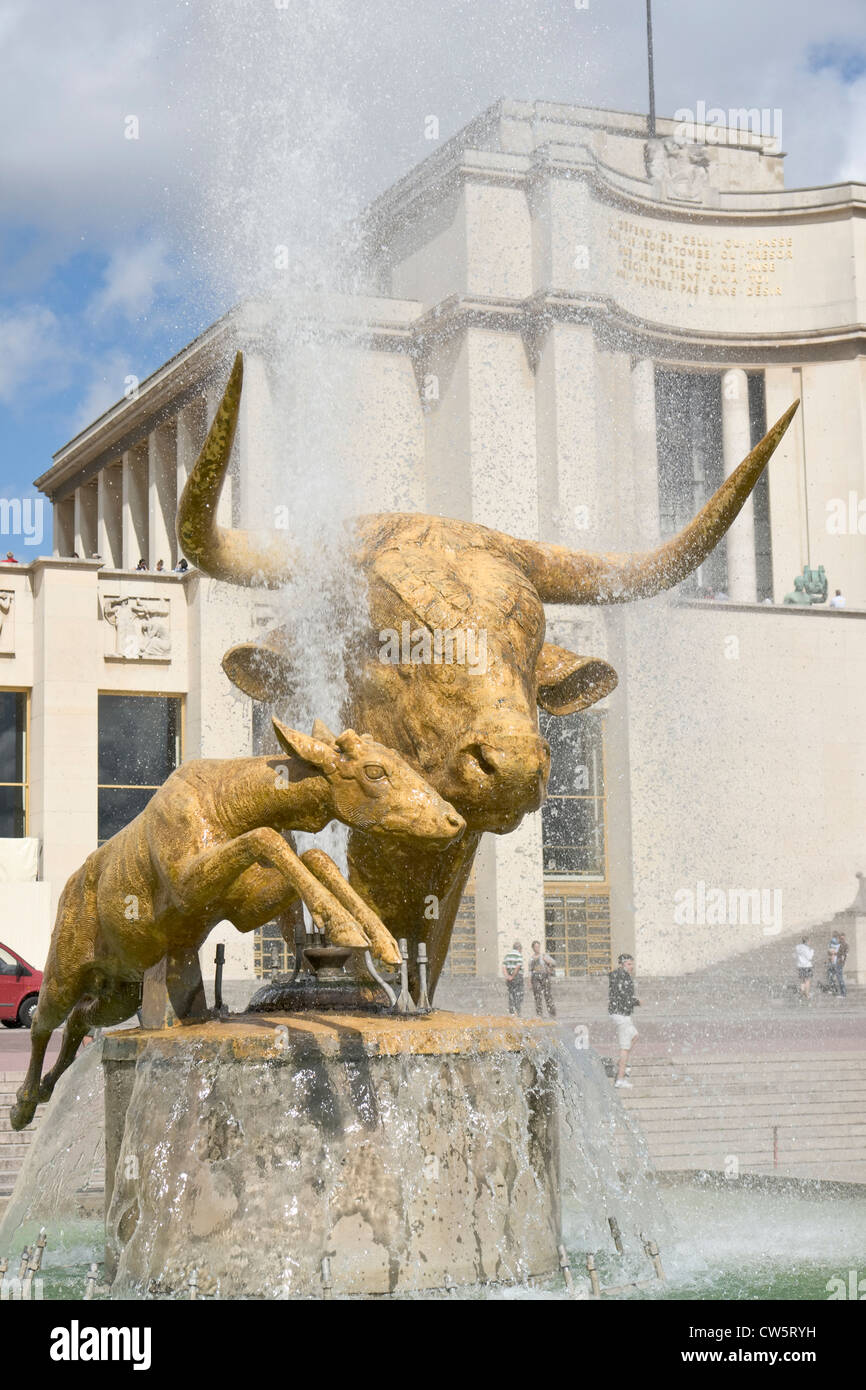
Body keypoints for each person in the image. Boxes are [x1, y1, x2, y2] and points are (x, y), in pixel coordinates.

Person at [609, 953, 640, 1087]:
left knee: (635, 1036)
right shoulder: (621, 977)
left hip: (622, 1014)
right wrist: (636, 1001)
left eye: (632, 964)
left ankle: (620, 1063)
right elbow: (623, 997)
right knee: (625, 1048)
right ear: (622, 965)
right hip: (620, 1015)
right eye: (629, 964)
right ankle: (620, 1079)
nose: (631, 966)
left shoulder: (621, 976)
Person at [529, 939, 556, 1017]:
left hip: (544, 976)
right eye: (535, 947)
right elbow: (530, 971)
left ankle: (552, 1013)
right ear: (533, 948)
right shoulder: (531, 959)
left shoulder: (544, 956)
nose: (537, 948)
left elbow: (554, 962)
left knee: (547, 995)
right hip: (535, 978)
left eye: (538, 946)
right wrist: (529, 982)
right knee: (537, 996)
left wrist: (547, 961)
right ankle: (539, 1014)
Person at [502, 940, 524, 1016]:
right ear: (519, 948)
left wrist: (507, 976)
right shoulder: (519, 955)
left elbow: (504, 967)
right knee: (519, 994)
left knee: (511, 994)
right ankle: (518, 1012)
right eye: (521, 949)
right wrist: (513, 976)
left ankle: (511, 1012)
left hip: (509, 978)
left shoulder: (507, 955)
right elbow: (518, 966)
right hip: (517, 977)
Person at [795, 935, 814, 1000]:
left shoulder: (798, 947)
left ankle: (801, 993)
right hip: (807, 966)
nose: (810, 942)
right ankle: (807, 995)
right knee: (807, 980)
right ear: (807, 941)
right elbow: (810, 957)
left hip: (800, 966)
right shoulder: (807, 948)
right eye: (809, 941)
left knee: (802, 981)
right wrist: (812, 951)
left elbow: (795, 955)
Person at [836, 933, 849, 998]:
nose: (841, 940)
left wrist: (842, 960)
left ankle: (843, 993)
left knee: (840, 978)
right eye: (840, 938)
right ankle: (843, 993)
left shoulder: (845, 945)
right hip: (837, 962)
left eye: (842, 938)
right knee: (839, 978)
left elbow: (845, 954)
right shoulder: (838, 944)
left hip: (840, 962)